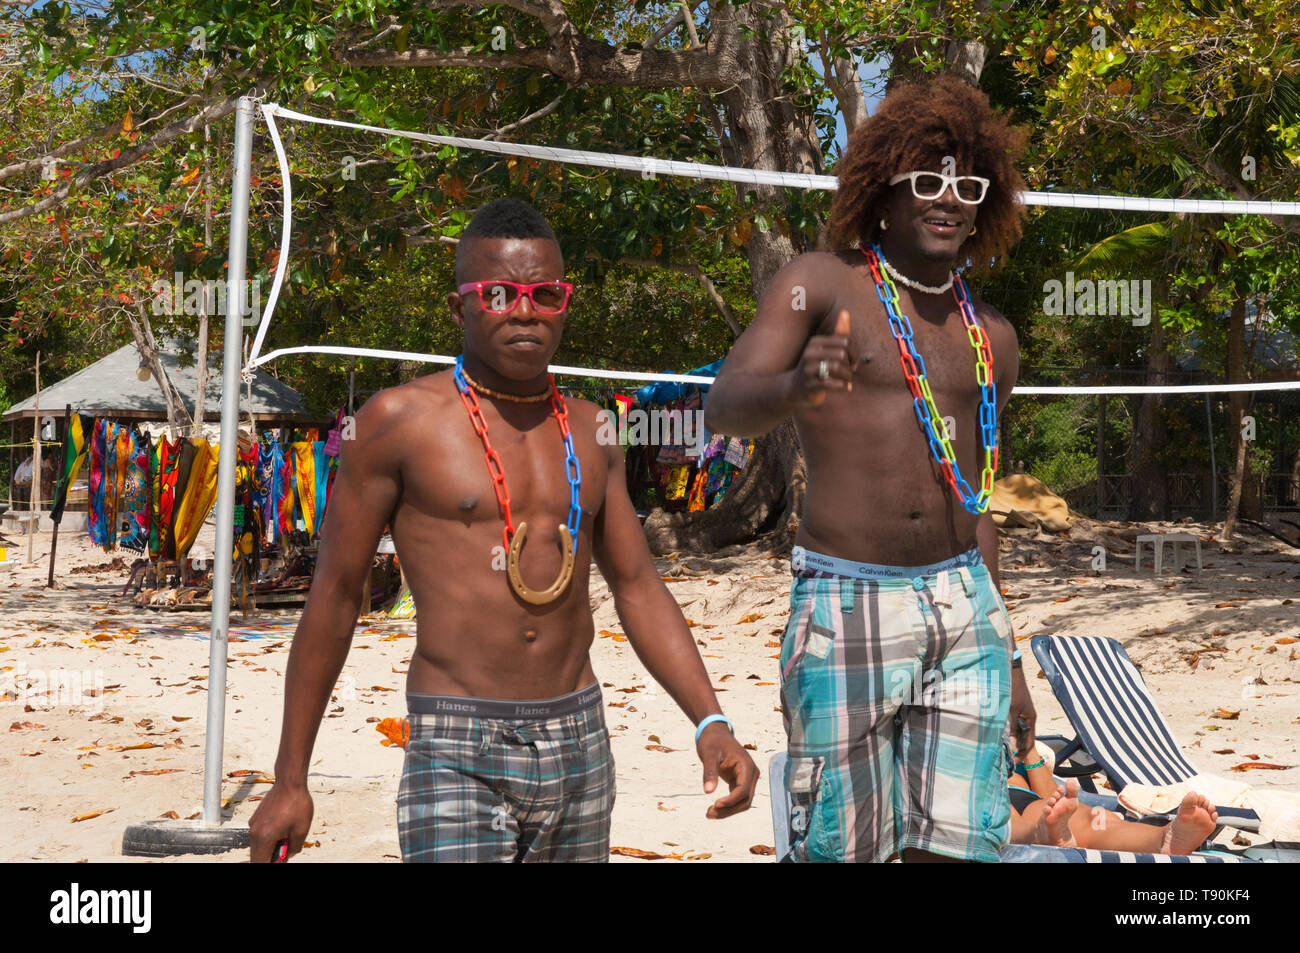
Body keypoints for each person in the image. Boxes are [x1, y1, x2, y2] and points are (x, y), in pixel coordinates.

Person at [250, 198, 757, 863]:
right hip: (458, 739)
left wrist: (710, 719)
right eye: (499, 293)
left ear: (565, 304)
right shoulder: (396, 422)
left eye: (545, 294)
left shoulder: (593, 427)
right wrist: (292, 778)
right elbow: (337, 595)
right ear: (461, 309)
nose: (525, 311)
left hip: (580, 739)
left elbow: (636, 584)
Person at [704, 76, 1032, 862]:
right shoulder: (818, 282)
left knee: (959, 842)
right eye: (926, 180)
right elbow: (726, 404)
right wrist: (795, 385)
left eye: (966, 184)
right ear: (881, 193)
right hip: (848, 597)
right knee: (841, 844)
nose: (947, 199)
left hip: (963, 608)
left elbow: (975, 496)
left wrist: (1009, 651)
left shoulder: (993, 334)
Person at [1009, 734, 1219, 854]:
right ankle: (1039, 835)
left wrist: (1028, 748)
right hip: (983, 796)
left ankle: (1162, 838)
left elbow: (1050, 797)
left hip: (1026, 798)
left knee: (1093, 820)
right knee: (998, 814)